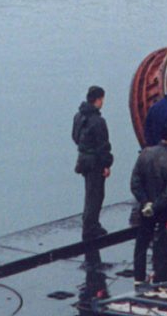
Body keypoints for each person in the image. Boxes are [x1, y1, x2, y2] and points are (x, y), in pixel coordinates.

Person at [130, 129, 167, 291]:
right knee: (165, 242)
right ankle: (162, 277)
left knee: (142, 242)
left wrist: (146, 202)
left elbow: (135, 182)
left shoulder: (145, 154)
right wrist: (156, 205)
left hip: (146, 208)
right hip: (165, 209)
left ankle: (138, 277)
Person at [72, 85, 114, 241]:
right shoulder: (98, 121)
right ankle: (90, 226)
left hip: (83, 159)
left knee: (90, 192)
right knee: (96, 194)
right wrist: (107, 165)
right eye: (102, 99)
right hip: (95, 162)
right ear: (98, 99)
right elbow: (104, 146)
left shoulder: (78, 116)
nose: (103, 102)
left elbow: (75, 137)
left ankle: (90, 223)